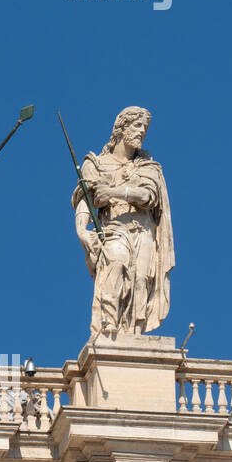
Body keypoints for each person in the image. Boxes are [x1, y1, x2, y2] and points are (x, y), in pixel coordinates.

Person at [72, 107, 174, 337]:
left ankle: (133, 337)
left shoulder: (148, 166)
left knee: (141, 282)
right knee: (115, 265)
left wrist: (113, 192)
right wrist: (81, 231)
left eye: (144, 128)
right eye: (137, 126)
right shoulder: (96, 164)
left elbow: (148, 196)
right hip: (114, 229)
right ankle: (107, 329)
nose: (142, 132)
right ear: (122, 127)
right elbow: (85, 199)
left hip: (143, 231)